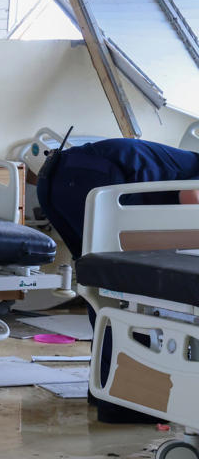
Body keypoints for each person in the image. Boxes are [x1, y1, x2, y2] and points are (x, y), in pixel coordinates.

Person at [37, 137, 199, 423]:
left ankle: (106, 390)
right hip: (92, 180)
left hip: (56, 179)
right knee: (128, 290)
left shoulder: (177, 161)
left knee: (104, 285)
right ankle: (128, 402)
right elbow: (192, 199)